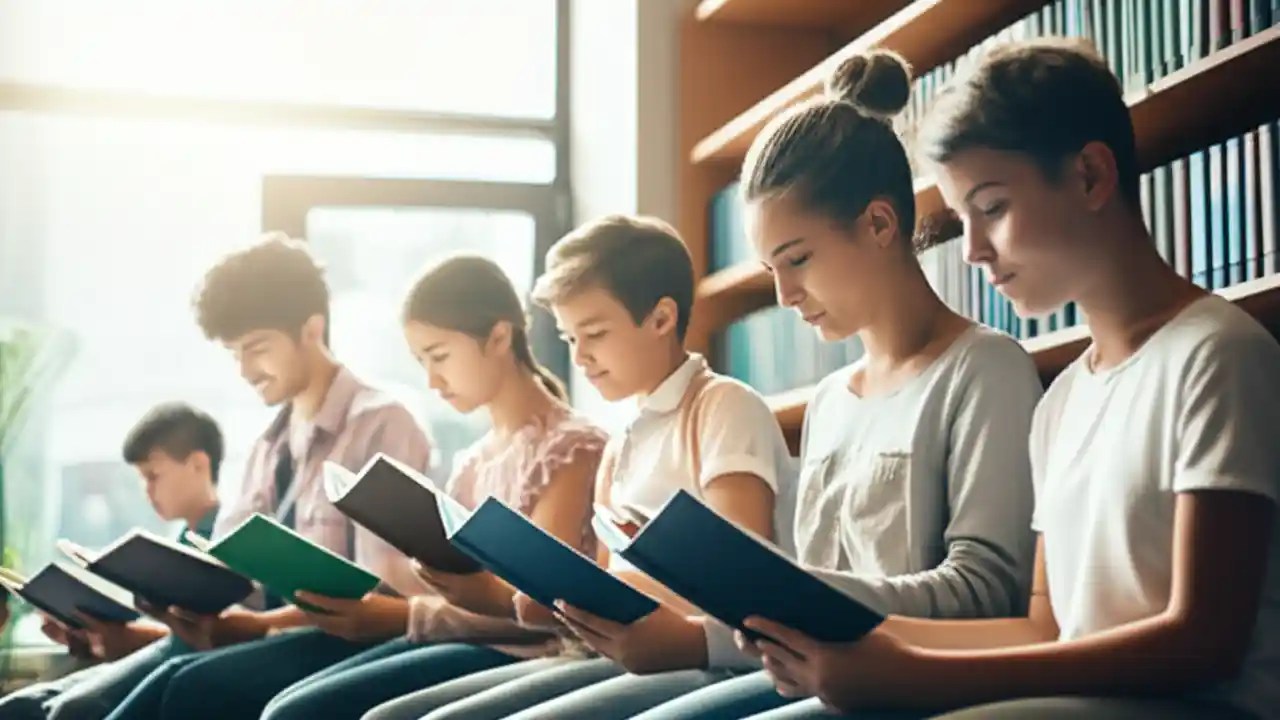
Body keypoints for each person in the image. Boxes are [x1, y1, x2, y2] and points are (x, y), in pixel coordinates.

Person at [744, 38, 1280, 720]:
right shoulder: (1062, 403)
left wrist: (918, 678)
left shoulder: (1218, 357)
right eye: (962, 218)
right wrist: (855, 643)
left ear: (1089, 176)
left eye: (991, 208)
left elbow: (1205, 643)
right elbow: (1042, 629)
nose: (971, 250)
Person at [621, 49, 1042, 720]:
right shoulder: (829, 401)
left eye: (798, 260)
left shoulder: (986, 370)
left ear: (879, 224)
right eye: (770, 269)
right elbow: (799, 623)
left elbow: (986, 594)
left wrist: (787, 590)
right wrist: (696, 637)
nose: (785, 295)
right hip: (805, 679)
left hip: (915, 690)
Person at [363, 214, 797, 720]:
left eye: (594, 334)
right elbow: (617, 586)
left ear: (660, 320)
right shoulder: (622, 446)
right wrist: (544, 598)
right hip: (620, 653)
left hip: (709, 658)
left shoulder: (722, 407)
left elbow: (742, 576)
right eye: (570, 340)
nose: (582, 357)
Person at [252, 255, 609, 720]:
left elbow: (541, 605)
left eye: (439, 356)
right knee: (287, 705)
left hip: (529, 651)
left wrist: (402, 615)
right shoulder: (473, 461)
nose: (432, 381)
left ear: (500, 337)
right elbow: (454, 587)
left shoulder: (572, 449)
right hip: (456, 636)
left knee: (299, 713)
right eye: (422, 362)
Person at [101, 233, 433, 720]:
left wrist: (255, 628)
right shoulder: (267, 444)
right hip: (269, 635)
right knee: (72, 705)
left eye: (256, 349)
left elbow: (384, 597)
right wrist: (182, 601)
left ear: (311, 330)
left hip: (345, 642)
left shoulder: (383, 423)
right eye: (235, 353)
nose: (245, 371)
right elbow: (238, 579)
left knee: (190, 689)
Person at [0, 403, 225, 720]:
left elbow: (219, 634)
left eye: (153, 476)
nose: (147, 491)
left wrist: (128, 637)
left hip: (185, 665)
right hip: (159, 654)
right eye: (141, 479)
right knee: (17, 707)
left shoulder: (225, 539)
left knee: (71, 710)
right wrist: (87, 630)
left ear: (198, 466)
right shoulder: (181, 538)